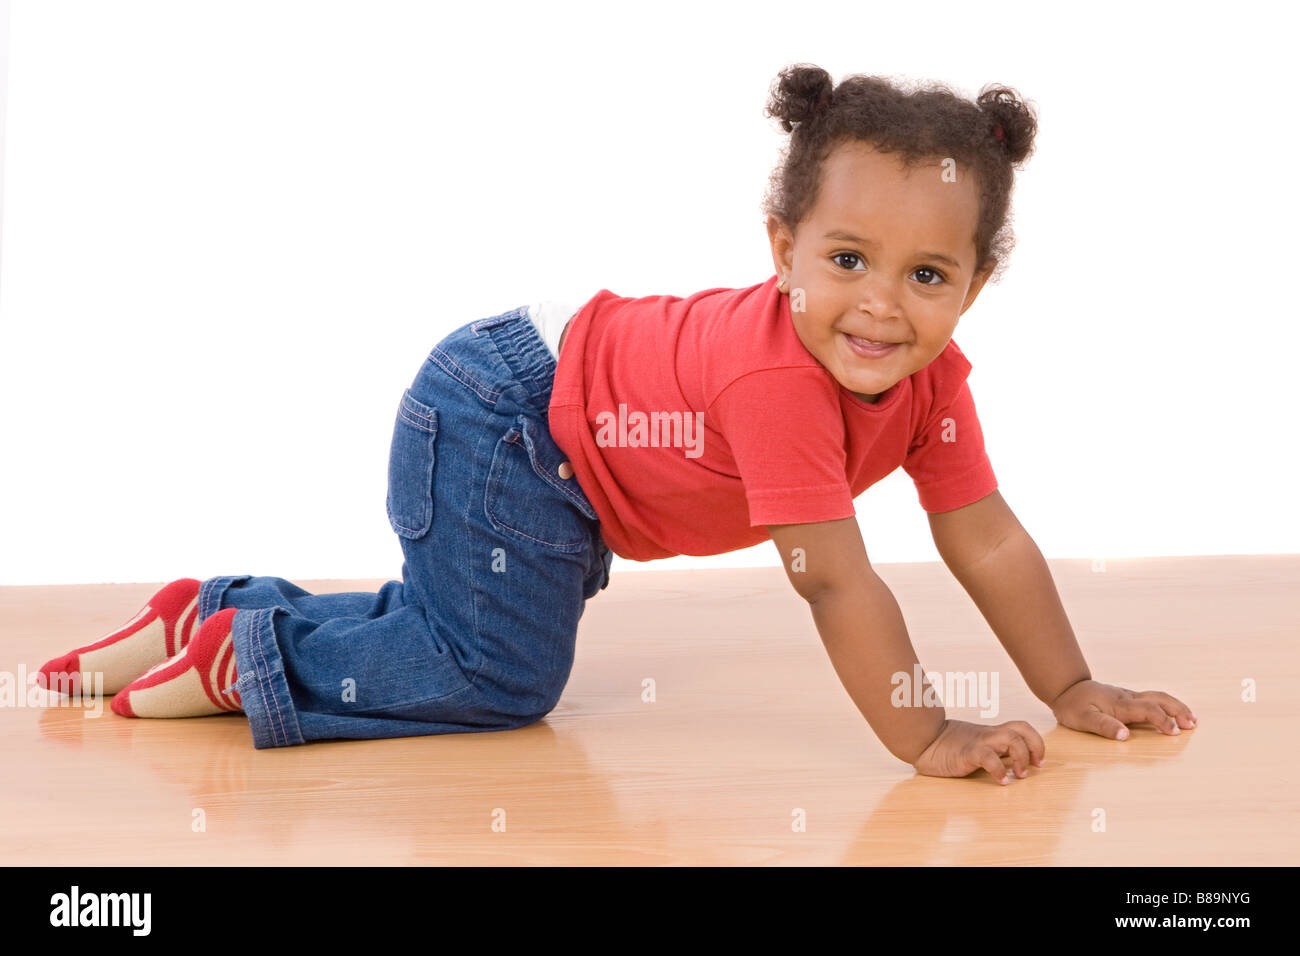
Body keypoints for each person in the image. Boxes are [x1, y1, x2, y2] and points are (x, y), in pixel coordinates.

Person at [37, 63, 1195, 780]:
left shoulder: (928, 385)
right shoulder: (778, 385)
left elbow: (983, 535)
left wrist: (1070, 686)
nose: (882, 303)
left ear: (975, 283)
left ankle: (211, 611)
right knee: (496, 677)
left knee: (453, 632)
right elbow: (837, 580)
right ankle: (250, 658)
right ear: (780, 248)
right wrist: (925, 731)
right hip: (509, 420)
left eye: (927, 274)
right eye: (847, 258)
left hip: (544, 416)